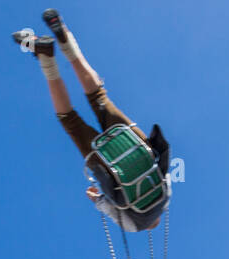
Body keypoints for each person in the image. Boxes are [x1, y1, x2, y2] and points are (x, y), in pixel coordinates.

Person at [13, 9, 170, 231]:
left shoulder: (166, 195)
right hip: (107, 165)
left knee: (98, 96)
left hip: (137, 145)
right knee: (69, 120)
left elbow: (162, 164)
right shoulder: (133, 226)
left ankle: (63, 35)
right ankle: (45, 56)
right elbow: (105, 205)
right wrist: (96, 198)